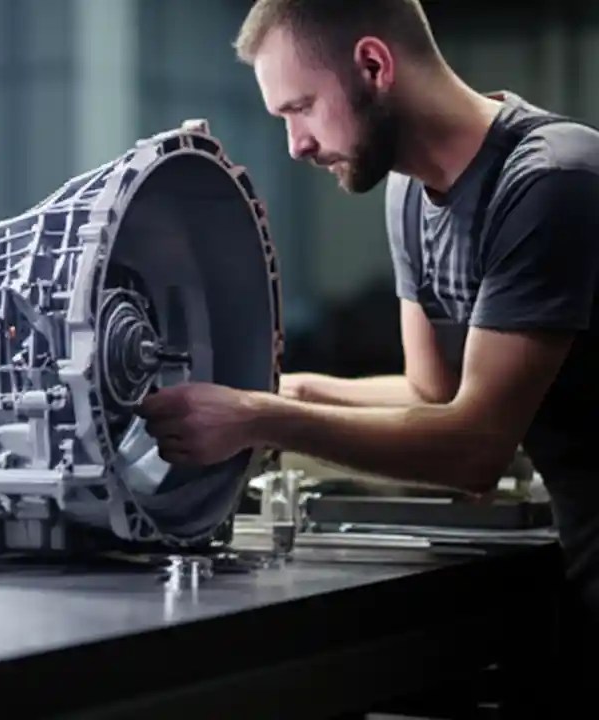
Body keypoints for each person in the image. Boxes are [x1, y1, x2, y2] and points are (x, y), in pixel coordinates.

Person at [136, 0, 599, 682]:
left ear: (374, 66)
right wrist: (287, 392)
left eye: (301, 108)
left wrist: (260, 418)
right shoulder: (408, 195)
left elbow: (476, 446)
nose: (295, 145)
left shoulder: (551, 181)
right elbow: (431, 394)